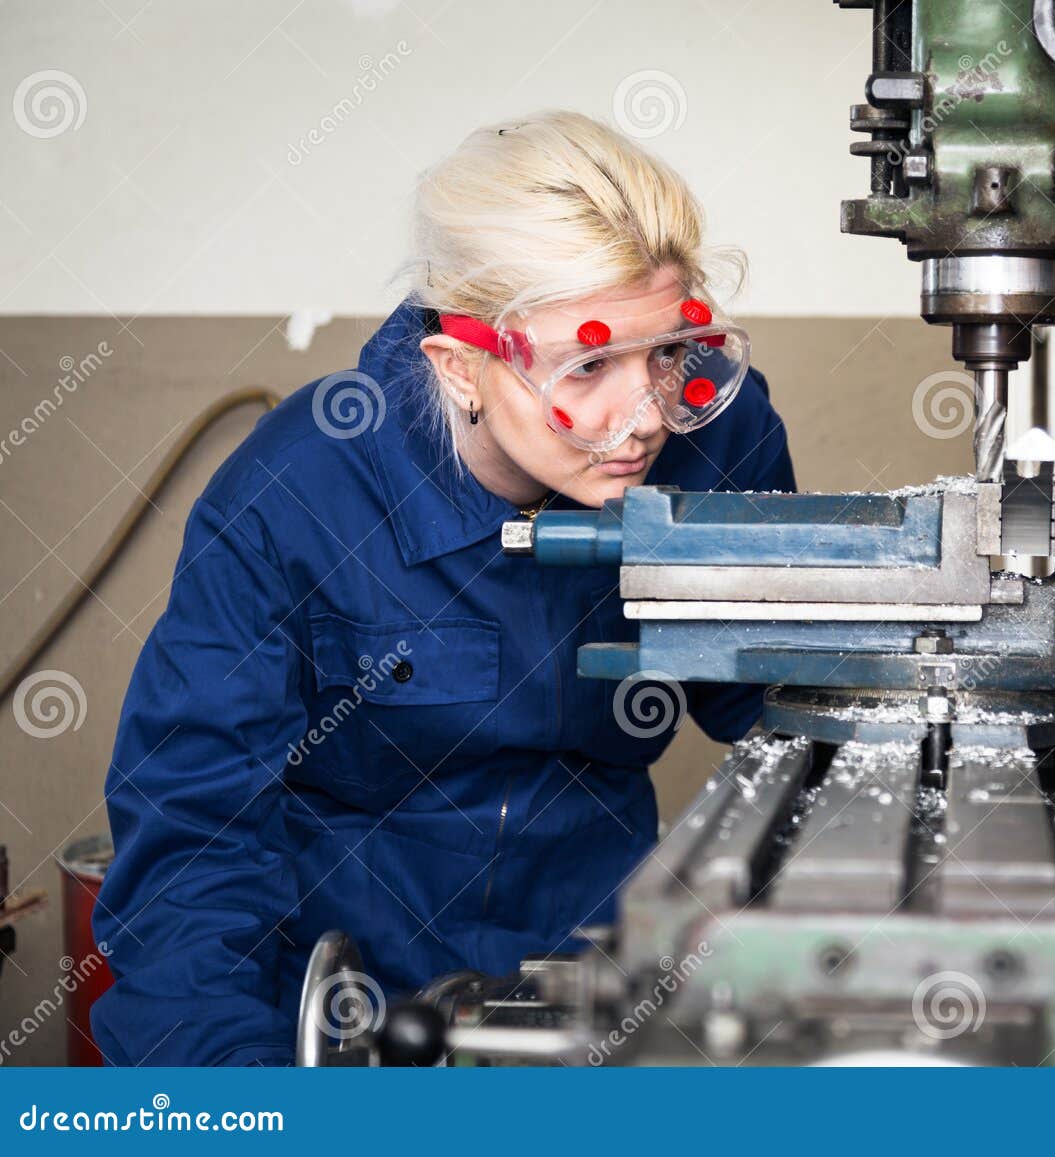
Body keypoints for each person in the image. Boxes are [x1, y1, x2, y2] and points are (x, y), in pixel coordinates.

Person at [91, 111, 795, 1065]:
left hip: (605, 1002)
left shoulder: (717, 436)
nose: (645, 418)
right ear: (461, 366)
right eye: (590, 365)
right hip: (352, 1018)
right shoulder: (298, 495)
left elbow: (778, 712)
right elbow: (192, 842)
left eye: (670, 351)